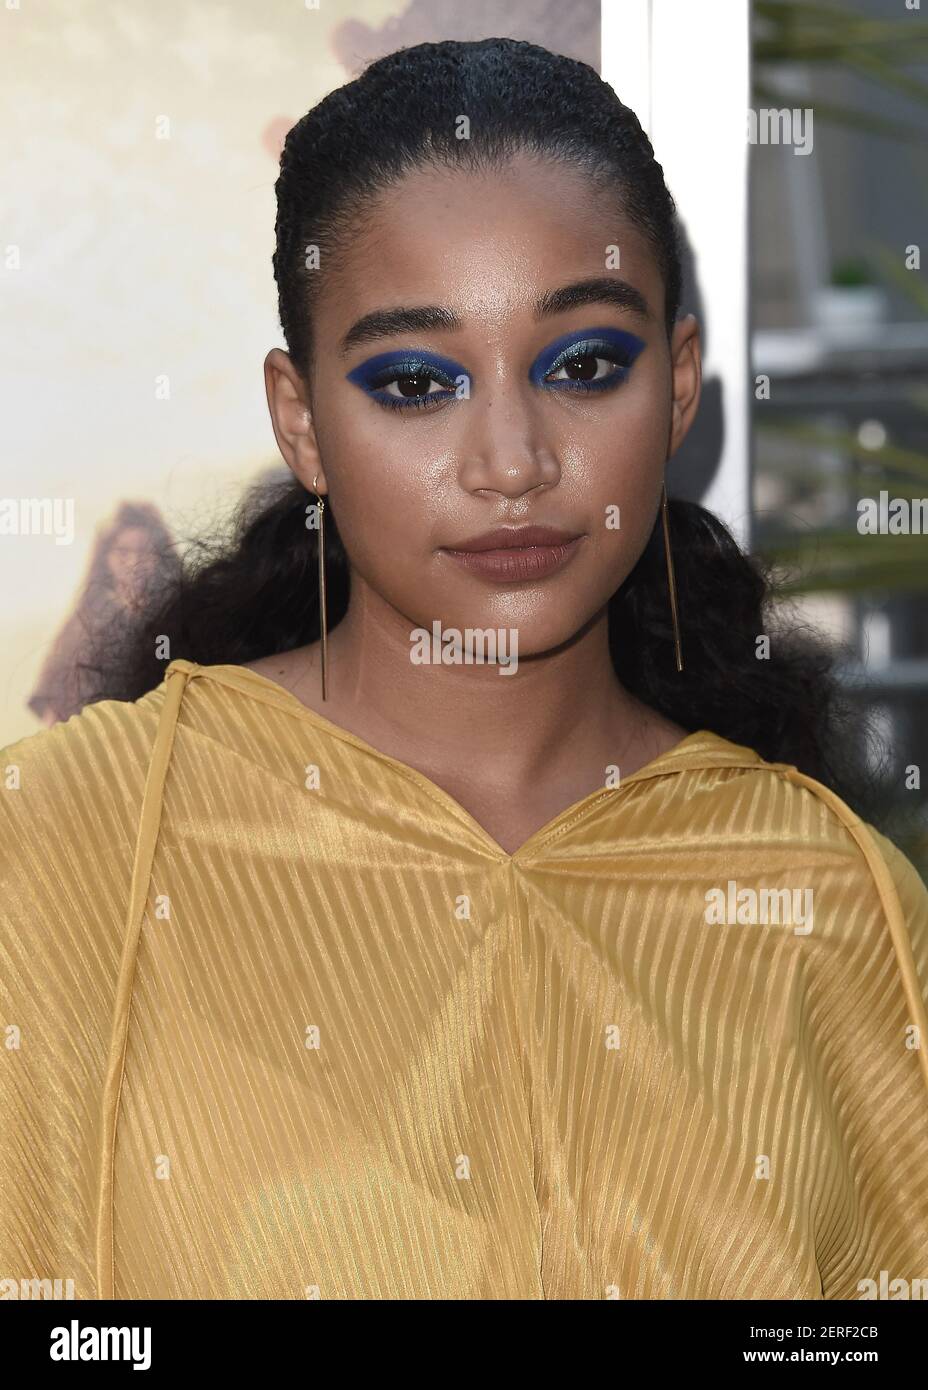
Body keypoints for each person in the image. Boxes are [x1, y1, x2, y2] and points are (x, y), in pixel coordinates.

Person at [2, 38, 926, 1302]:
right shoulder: (64, 850)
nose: (510, 460)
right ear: (300, 424)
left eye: (584, 365)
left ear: (680, 386)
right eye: (416, 381)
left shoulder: (837, 907)